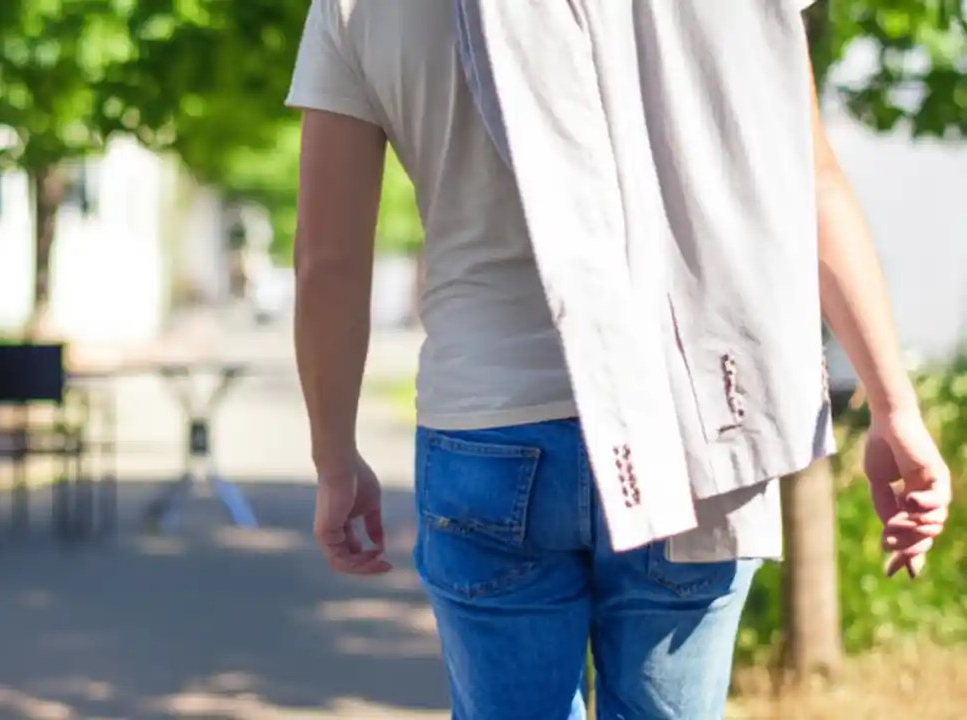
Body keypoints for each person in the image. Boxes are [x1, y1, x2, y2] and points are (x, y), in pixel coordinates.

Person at [287, 1, 953, 718]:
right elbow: (810, 181)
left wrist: (334, 455)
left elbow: (328, 260)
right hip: (691, 415)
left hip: (489, 426)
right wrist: (894, 406)